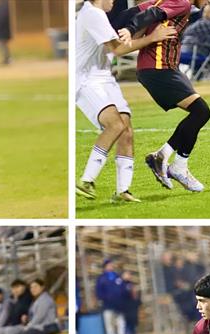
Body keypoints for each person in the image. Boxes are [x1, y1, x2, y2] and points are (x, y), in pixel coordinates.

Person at [75, 0, 177, 203]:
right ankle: (86, 180)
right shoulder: (92, 14)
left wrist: (141, 31)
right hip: (85, 80)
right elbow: (117, 50)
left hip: (104, 77)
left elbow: (122, 45)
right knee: (115, 125)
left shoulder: (97, 14)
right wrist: (152, 37)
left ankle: (123, 191)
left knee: (127, 131)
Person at [116, 0, 210, 193]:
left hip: (164, 69)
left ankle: (178, 166)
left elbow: (144, 10)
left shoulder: (174, 3)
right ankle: (167, 160)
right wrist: (130, 28)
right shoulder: (183, 3)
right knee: (201, 112)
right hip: (158, 69)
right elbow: (151, 13)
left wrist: (126, 24)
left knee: (199, 113)